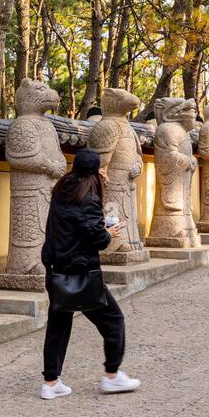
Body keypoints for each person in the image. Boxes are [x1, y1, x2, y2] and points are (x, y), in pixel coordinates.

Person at [40, 147, 140, 399]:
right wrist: (110, 233)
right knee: (113, 320)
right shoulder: (89, 196)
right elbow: (97, 237)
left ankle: (51, 383)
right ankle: (112, 375)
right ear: (95, 172)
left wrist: (95, 180)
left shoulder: (62, 189)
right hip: (82, 271)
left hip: (57, 269)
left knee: (58, 326)